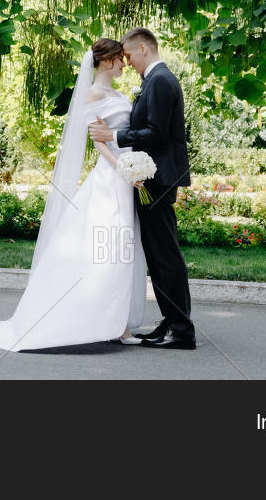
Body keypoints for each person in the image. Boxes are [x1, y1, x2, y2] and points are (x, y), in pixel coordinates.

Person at [0, 37, 146, 352]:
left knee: (122, 248)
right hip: (112, 178)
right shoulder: (93, 95)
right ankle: (110, 324)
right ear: (107, 61)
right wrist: (124, 168)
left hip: (125, 176)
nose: (125, 64)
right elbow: (99, 143)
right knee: (111, 247)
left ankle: (119, 324)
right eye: (120, 59)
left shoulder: (116, 93)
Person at [87, 26, 195, 350]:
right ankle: (171, 321)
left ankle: (182, 330)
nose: (128, 62)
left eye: (130, 55)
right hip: (151, 178)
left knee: (165, 257)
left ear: (144, 49)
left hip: (158, 180)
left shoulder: (160, 80)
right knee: (159, 256)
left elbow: (158, 134)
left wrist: (115, 138)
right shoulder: (154, 81)